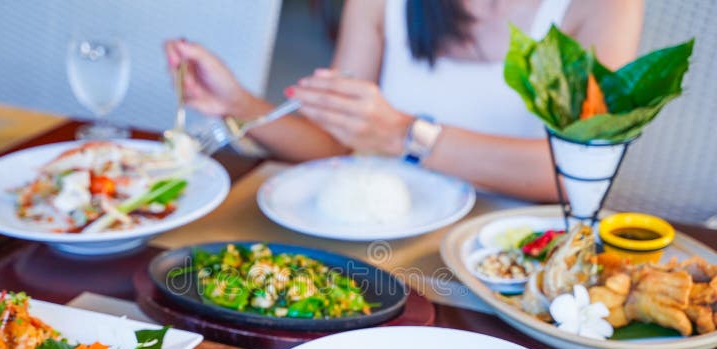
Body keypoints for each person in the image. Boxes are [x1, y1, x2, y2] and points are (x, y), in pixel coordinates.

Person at [165, 0, 643, 202]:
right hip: (381, 241)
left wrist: (403, 134)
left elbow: (581, 169)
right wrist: (239, 105)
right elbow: (336, 143)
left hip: (512, 252)